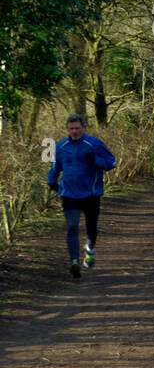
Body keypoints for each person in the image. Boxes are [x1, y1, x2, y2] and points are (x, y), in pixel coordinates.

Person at [47, 114, 116, 278]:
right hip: (69, 194)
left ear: (84, 128)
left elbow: (111, 162)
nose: (75, 131)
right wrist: (51, 182)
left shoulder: (93, 144)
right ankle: (74, 262)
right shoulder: (61, 146)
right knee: (72, 227)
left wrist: (96, 161)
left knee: (92, 228)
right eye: (71, 128)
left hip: (91, 194)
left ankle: (89, 250)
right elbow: (55, 167)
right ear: (67, 129)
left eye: (77, 128)